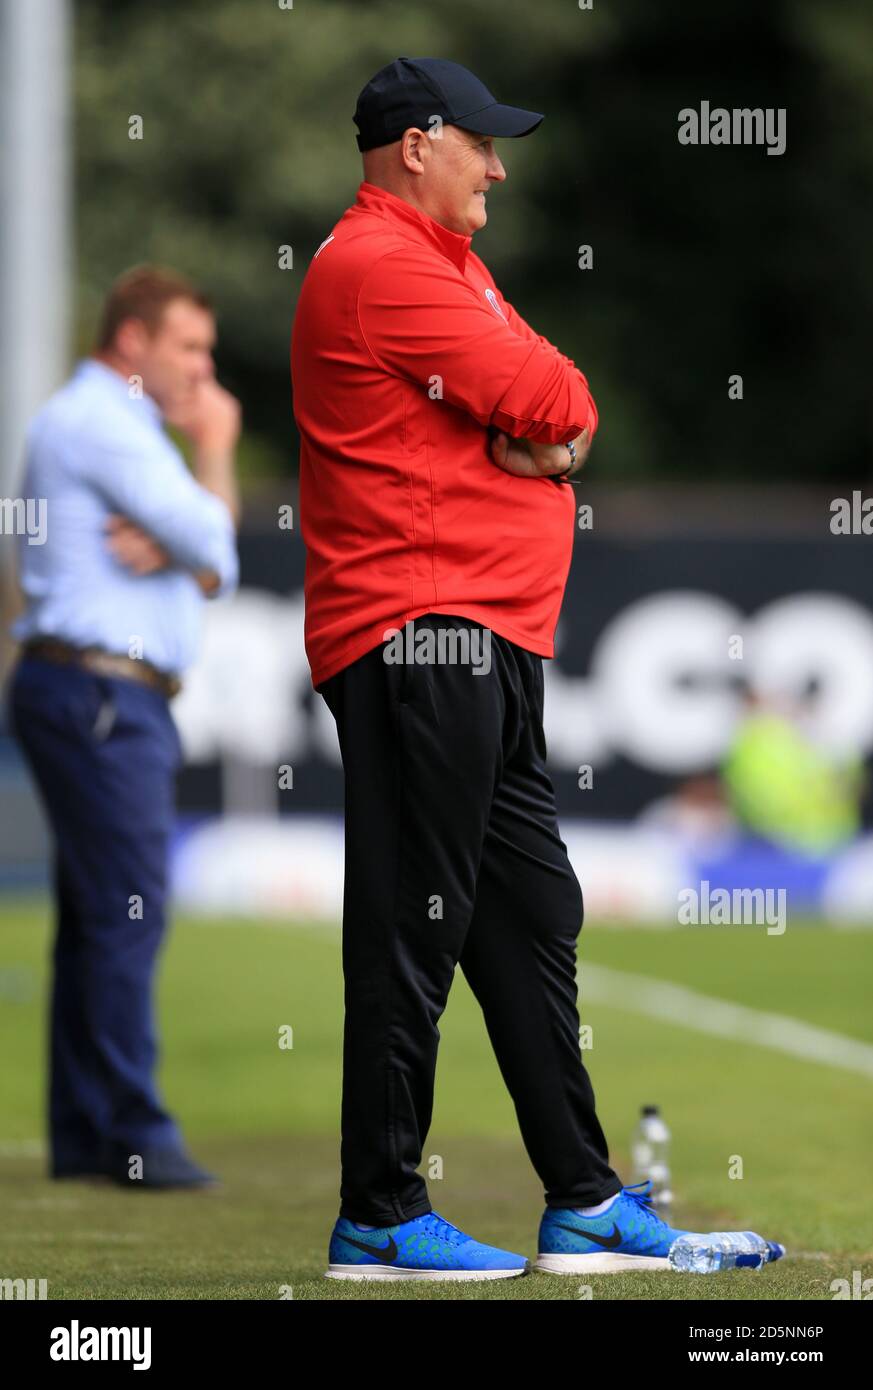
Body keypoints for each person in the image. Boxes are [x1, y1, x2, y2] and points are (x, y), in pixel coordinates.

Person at [292, 57, 782, 1279]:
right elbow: (554, 392)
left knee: (528, 915)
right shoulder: (385, 264)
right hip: (427, 628)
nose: (500, 167)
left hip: (483, 635)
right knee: (419, 921)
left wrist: (544, 444)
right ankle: (381, 1211)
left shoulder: (445, 264)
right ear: (417, 145)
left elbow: (555, 410)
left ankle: (583, 1199)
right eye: (483, 145)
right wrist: (540, 438)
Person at [7, 265, 240, 1190]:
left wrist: (187, 534)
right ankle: (133, 1132)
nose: (203, 371)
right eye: (188, 346)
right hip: (102, 695)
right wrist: (212, 458)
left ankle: (85, 1134)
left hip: (92, 692)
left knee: (97, 917)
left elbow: (201, 553)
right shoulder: (103, 421)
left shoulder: (116, 427)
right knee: (126, 913)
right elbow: (216, 547)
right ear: (132, 340)